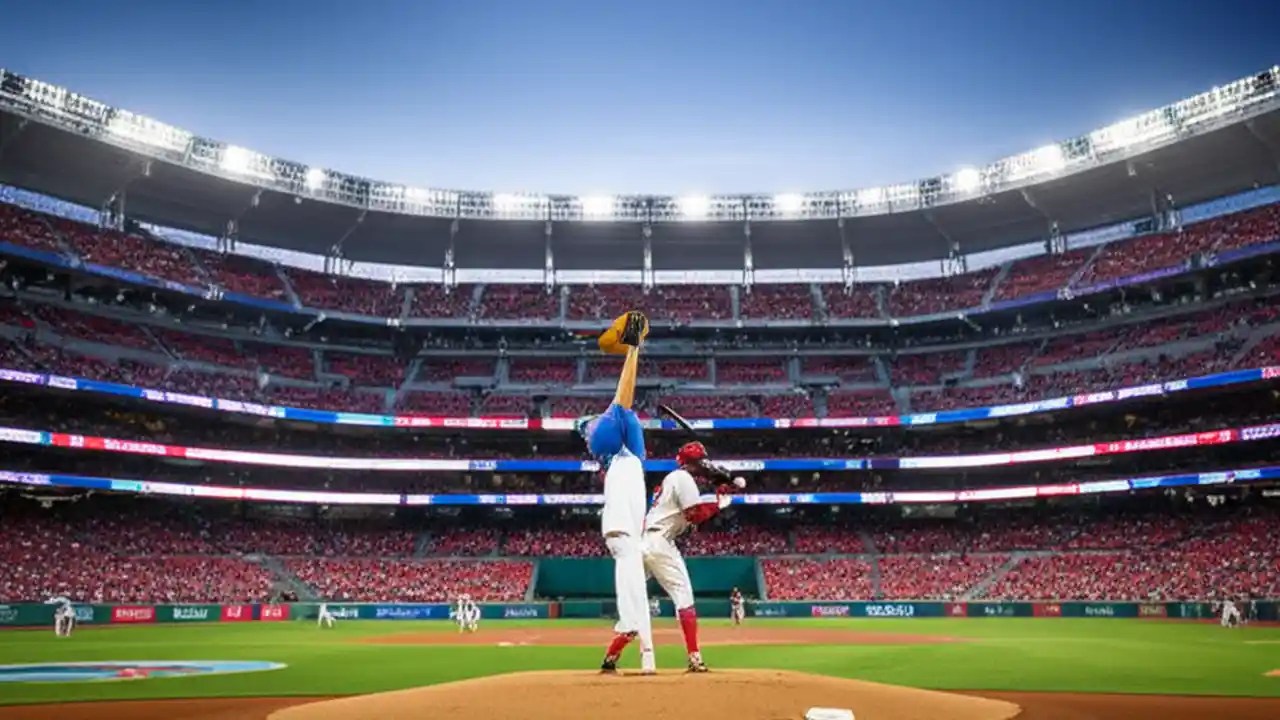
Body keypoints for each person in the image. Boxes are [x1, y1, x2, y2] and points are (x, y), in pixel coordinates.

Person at [581, 311, 656, 675]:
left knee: (630, 560)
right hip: (623, 476)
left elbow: (623, 402)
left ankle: (630, 628)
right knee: (628, 557)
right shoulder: (605, 434)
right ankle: (636, 633)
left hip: (627, 478)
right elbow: (623, 396)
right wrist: (633, 350)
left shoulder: (621, 440)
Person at [641, 440, 740, 673]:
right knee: (684, 599)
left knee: (633, 600)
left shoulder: (673, 479)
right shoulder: (683, 478)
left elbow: (688, 516)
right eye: (701, 461)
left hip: (645, 541)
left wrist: (719, 487)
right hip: (660, 542)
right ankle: (695, 657)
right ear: (695, 462)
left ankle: (611, 657)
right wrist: (720, 500)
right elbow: (694, 514)